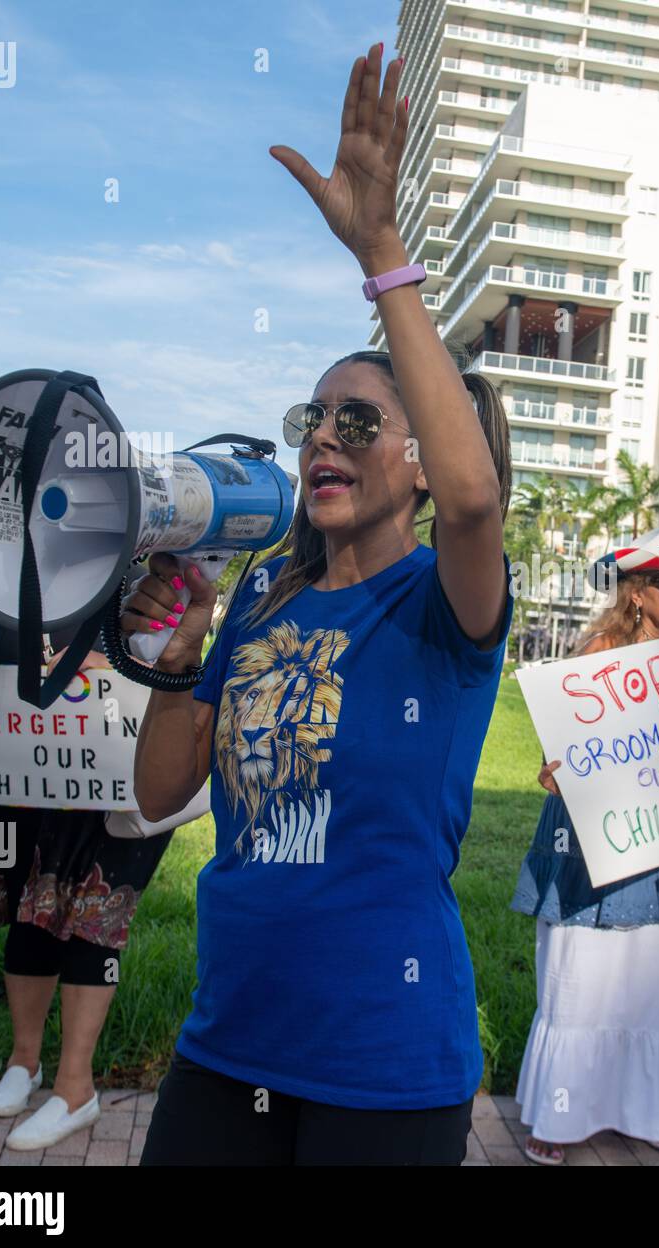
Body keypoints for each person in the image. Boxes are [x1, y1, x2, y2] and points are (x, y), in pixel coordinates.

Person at [128, 42, 514, 1166]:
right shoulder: (260, 594)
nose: (326, 440)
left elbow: (480, 500)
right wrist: (171, 660)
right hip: (226, 1049)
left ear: (419, 459)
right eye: (314, 420)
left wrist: (380, 249)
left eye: (360, 421)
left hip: (383, 1069)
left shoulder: (444, 606)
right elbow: (160, 794)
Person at [510, 527, 659, 1165]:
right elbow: (555, 761)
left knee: (646, 986)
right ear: (636, 592)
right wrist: (562, 765)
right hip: (594, 847)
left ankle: (641, 1112)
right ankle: (558, 1117)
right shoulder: (600, 649)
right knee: (582, 981)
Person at [0, 565, 173, 1152]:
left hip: (114, 771)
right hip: (32, 772)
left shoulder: (143, 560)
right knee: (32, 908)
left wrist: (104, 669)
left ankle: (75, 1089)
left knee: (94, 917)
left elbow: (171, 660)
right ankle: (23, 1063)